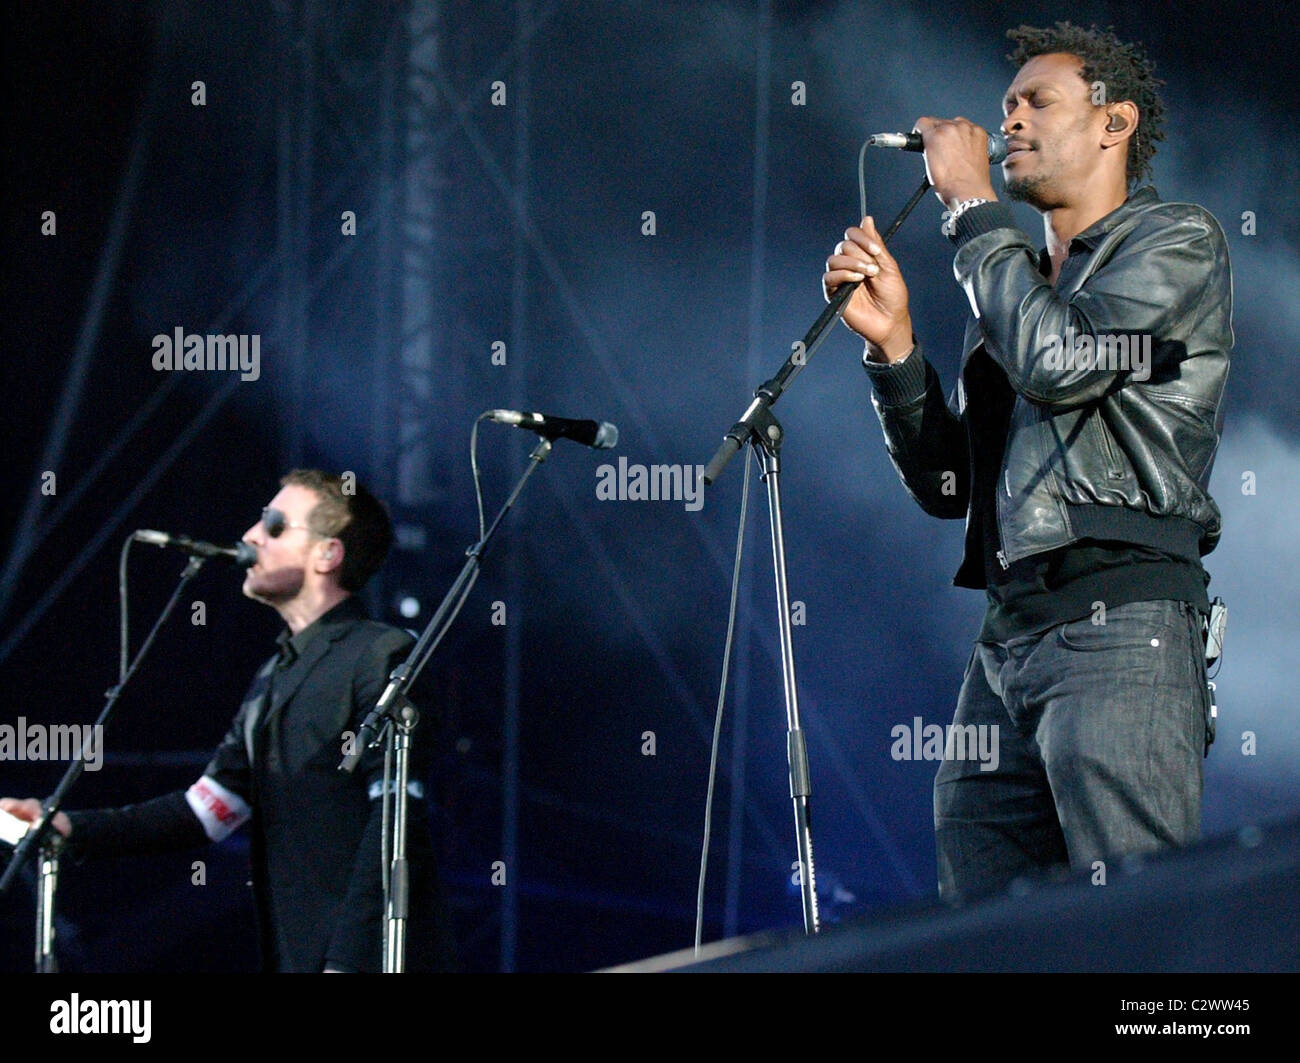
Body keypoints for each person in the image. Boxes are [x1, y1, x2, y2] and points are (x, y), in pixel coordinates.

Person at [822, 23, 1230, 901]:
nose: (1008, 119)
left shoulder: (1176, 243)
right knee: (988, 928)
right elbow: (951, 489)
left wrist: (971, 206)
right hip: (1008, 640)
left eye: (1036, 101)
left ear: (1113, 123)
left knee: (1134, 923)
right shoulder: (1016, 295)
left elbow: (1063, 360)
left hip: (1121, 621)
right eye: (1005, 103)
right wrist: (893, 349)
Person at [3, 469, 454, 971]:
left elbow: (394, 824)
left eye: (275, 525)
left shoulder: (381, 655)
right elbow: (205, 811)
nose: (250, 536)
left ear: (327, 554)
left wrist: (348, 961)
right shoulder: (274, 677)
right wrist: (69, 827)